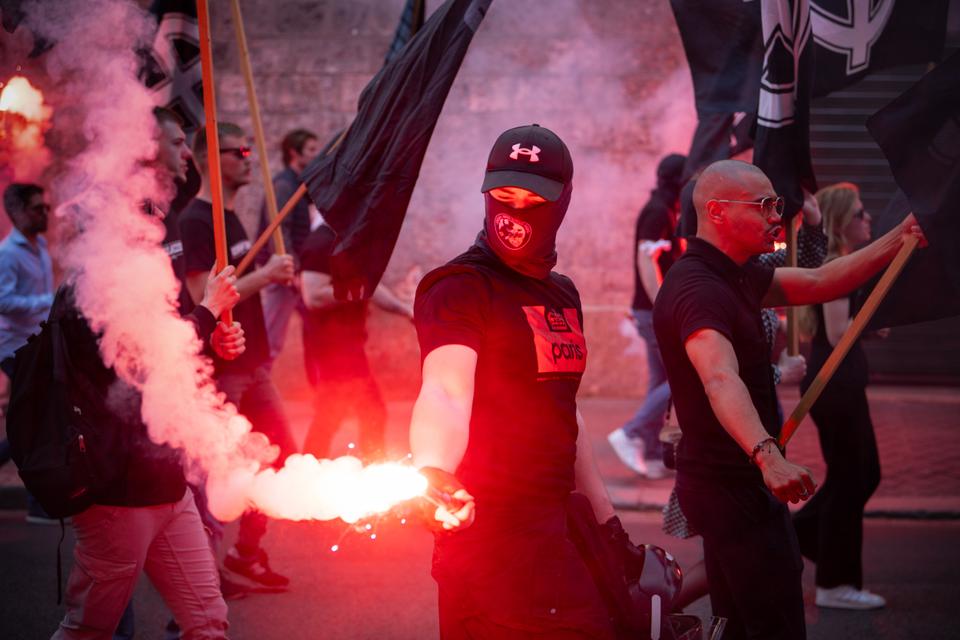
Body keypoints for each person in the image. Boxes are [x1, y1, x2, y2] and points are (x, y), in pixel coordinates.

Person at [653, 159, 925, 639]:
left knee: (742, 618)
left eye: (776, 204)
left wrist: (900, 236)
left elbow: (822, 281)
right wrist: (766, 455)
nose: (777, 216)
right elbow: (719, 377)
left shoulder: (739, 273)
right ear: (717, 211)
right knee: (773, 615)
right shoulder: (697, 287)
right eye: (764, 206)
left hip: (734, 481)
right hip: (729, 483)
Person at [410, 124, 633, 638]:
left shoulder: (563, 294)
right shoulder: (459, 287)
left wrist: (607, 523)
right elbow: (444, 388)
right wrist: (434, 470)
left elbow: (562, 409)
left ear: (562, 204)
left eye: (533, 198)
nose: (515, 210)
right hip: (487, 539)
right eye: (502, 195)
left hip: (556, 531)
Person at [179, 122, 296, 590]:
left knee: (281, 453)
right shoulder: (194, 221)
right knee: (217, 470)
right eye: (238, 150)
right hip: (225, 369)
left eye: (249, 150)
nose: (248, 158)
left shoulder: (234, 219)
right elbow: (198, 298)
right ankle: (203, 569)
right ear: (211, 158)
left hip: (255, 364)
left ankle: (247, 552)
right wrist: (265, 276)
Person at [793, 183, 886, 610]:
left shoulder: (844, 265)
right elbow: (835, 334)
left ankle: (796, 536)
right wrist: (868, 321)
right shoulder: (838, 264)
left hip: (844, 385)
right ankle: (835, 583)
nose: (867, 219)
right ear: (842, 222)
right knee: (853, 477)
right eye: (861, 213)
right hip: (836, 386)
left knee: (862, 474)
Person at [299, 222, 413, 461]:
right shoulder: (321, 241)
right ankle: (372, 468)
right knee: (359, 413)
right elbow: (313, 296)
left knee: (343, 414)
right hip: (331, 349)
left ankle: (307, 468)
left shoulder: (350, 238)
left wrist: (405, 310)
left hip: (350, 347)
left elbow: (369, 288)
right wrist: (359, 287)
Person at [607, 154, 685, 480]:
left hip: (652, 309)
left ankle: (652, 452)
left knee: (661, 380)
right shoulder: (657, 212)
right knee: (684, 376)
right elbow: (646, 262)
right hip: (653, 310)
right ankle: (633, 433)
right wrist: (665, 306)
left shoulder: (663, 209)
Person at [0, 182, 57, 524]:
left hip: (35, 344)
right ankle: (37, 504)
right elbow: (2, 301)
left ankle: (40, 502)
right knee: (37, 422)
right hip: (14, 348)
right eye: (38, 208)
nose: (45, 213)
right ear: (18, 212)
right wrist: (46, 303)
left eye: (46, 207)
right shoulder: (7, 254)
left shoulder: (42, 245)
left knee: (36, 421)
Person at [258, 128, 321, 366]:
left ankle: (322, 392)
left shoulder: (302, 184)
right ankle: (254, 391)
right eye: (312, 150)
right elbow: (279, 230)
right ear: (294, 153)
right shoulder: (284, 185)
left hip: (298, 273)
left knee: (315, 333)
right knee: (271, 339)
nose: (317, 154)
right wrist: (291, 270)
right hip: (284, 275)